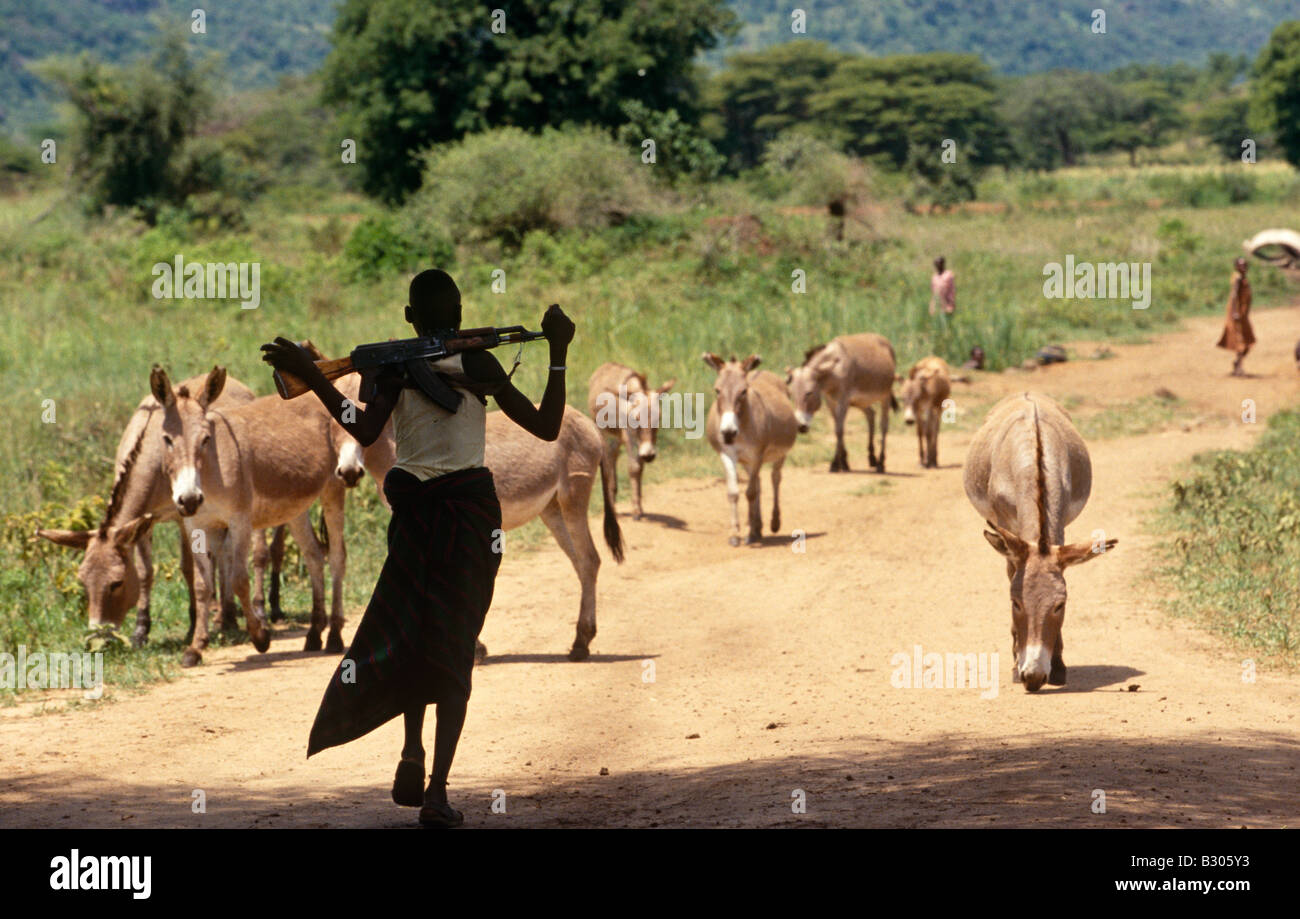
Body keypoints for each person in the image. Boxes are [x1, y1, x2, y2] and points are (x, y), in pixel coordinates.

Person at [260, 269, 574, 828]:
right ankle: (435, 789)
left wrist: (320, 378)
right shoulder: (467, 367)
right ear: (458, 313)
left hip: (416, 518)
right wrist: (558, 353)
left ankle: (413, 754)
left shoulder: (403, 369)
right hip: (469, 520)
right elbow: (549, 426)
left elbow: (361, 426)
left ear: (411, 318)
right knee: (452, 645)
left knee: (410, 631)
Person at [1216, 257, 1254, 376]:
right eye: (1241, 265)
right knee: (1240, 340)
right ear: (1236, 267)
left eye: (1245, 265)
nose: (1243, 268)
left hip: (1243, 314)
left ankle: (1237, 362)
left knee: (1249, 339)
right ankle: (1239, 367)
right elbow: (1233, 295)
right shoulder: (1237, 278)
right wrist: (1234, 312)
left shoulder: (1243, 278)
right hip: (1237, 314)